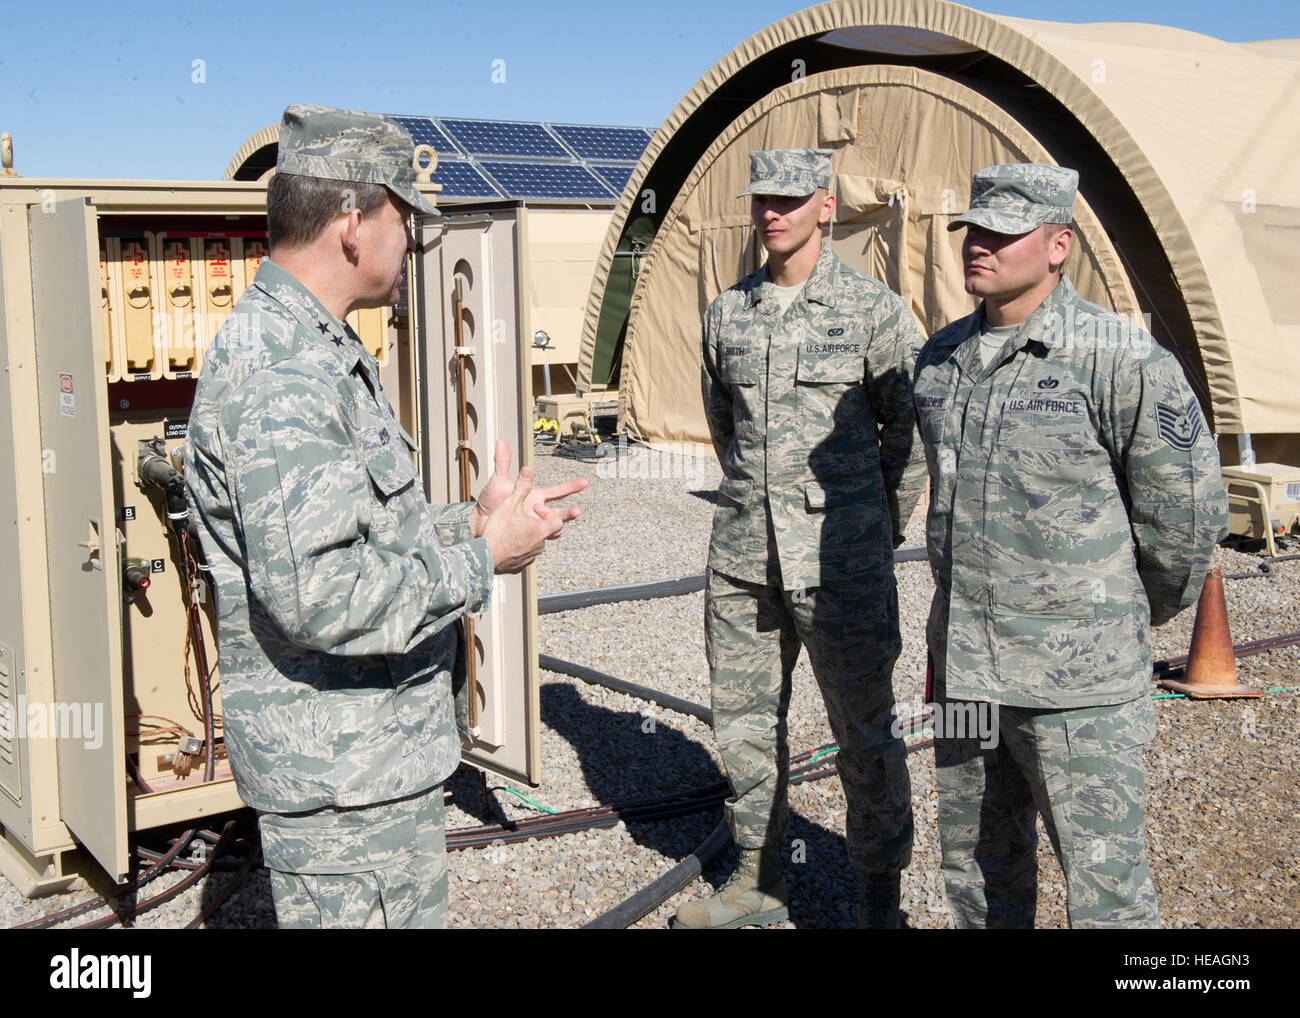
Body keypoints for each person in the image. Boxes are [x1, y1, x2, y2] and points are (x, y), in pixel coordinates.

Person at [185, 104, 585, 928]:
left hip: (368, 769)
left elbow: (357, 532)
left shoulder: (317, 351)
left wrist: (468, 524)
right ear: (351, 222)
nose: (413, 241)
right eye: (404, 218)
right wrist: (483, 564)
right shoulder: (283, 377)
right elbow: (321, 596)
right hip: (343, 787)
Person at [913, 163, 1228, 928]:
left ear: (1058, 245)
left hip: (1077, 684)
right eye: (973, 231)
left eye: (1003, 233)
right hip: (965, 675)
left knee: (1105, 891)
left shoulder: (1119, 359)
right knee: (976, 871)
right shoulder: (939, 362)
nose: (979, 246)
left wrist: (1112, 624)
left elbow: (1184, 519)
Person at [677, 148, 927, 929]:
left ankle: (877, 895)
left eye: (790, 199)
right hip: (744, 558)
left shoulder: (874, 311)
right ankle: (759, 880)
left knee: (865, 732)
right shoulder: (727, 313)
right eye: (761, 199)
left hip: (841, 561)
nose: (772, 213)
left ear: (826, 206)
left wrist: (871, 530)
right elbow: (728, 429)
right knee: (745, 726)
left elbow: (909, 440)